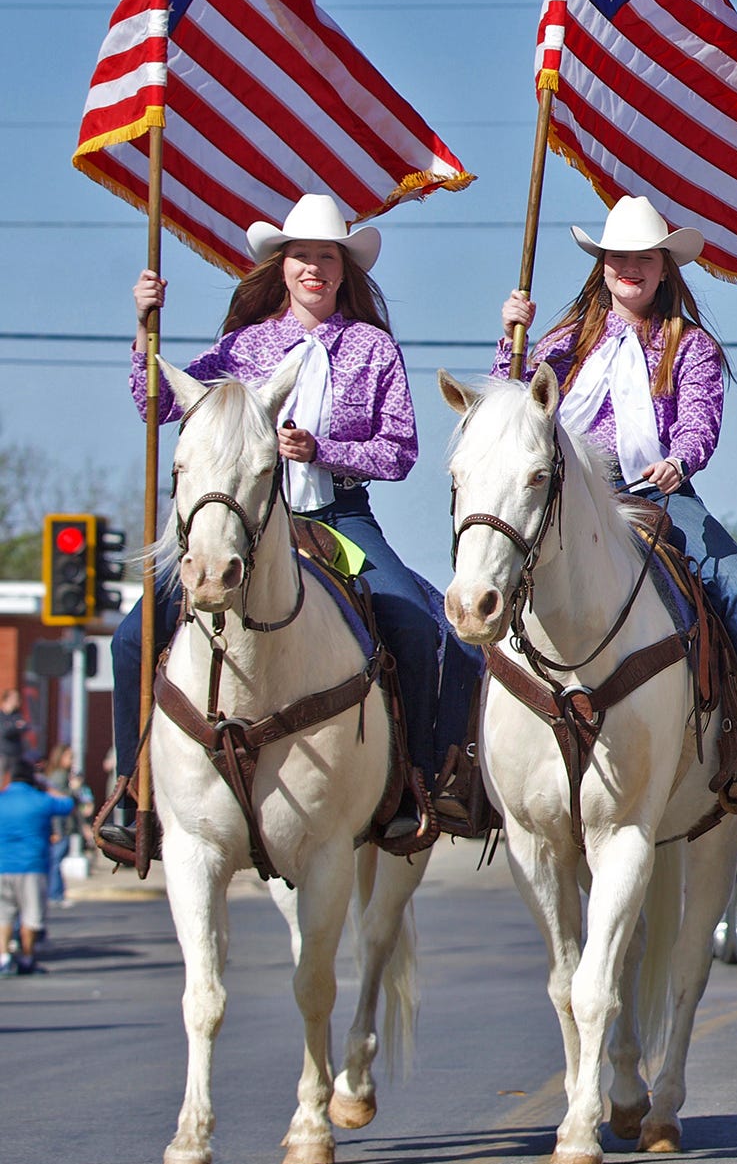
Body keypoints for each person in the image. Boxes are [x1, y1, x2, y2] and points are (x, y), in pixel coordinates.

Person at [102, 194, 481, 852]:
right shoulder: (240, 347)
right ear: (281, 266)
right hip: (243, 525)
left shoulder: (373, 348)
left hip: (337, 517)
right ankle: (133, 792)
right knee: (131, 639)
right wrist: (144, 327)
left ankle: (410, 785)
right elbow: (156, 404)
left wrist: (322, 450)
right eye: (302, 255)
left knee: (418, 629)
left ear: (343, 270)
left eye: (327, 257)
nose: (314, 268)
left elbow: (400, 450)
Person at [497, 195, 737, 799]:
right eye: (619, 257)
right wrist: (509, 342)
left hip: (658, 493)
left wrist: (681, 460)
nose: (631, 268)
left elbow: (699, 420)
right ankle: (479, 758)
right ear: (602, 265)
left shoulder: (691, 346)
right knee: (492, 571)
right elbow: (509, 415)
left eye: (645, 258)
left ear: (664, 268)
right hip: (572, 496)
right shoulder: (562, 342)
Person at [0, 758, 75, 975]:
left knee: (3, 915)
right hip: (32, 866)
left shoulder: (2, 800)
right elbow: (68, 804)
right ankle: (27, 957)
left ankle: (4, 957)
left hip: (3, 865)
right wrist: (47, 787)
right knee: (31, 916)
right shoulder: (41, 800)